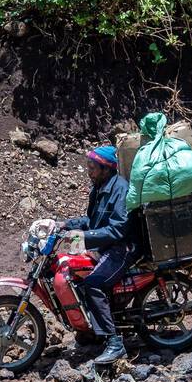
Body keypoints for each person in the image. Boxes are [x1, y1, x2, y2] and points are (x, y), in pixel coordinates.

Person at [59, 145, 134, 364]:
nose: (88, 171)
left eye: (92, 167)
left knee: (93, 284)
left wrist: (82, 239)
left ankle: (114, 343)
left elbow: (118, 229)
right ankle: (91, 329)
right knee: (76, 275)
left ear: (106, 168)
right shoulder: (99, 188)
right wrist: (63, 224)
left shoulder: (121, 189)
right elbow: (90, 221)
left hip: (122, 247)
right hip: (106, 246)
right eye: (88, 167)